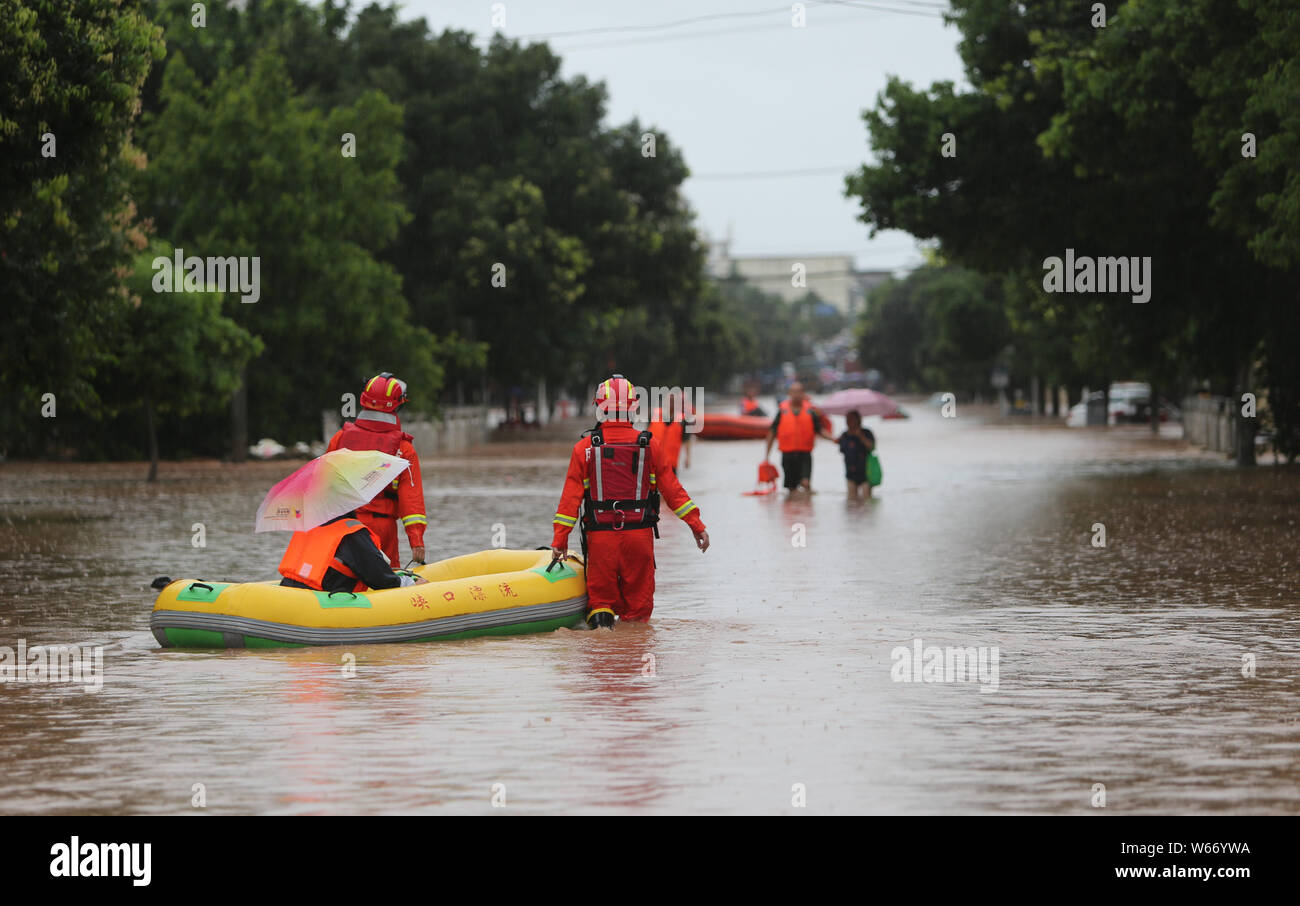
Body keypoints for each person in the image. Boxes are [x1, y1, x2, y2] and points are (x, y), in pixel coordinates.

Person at [550, 375, 710, 628]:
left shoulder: (584, 448)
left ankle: (604, 650)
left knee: (600, 601)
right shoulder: (650, 445)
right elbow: (673, 491)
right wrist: (696, 525)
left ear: (599, 408)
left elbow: (570, 501)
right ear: (633, 408)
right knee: (638, 610)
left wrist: (560, 540)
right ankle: (635, 654)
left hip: (600, 538)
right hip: (639, 537)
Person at [327, 373, 427, 567]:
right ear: (397, 406)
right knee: (387, 583)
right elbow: (411, 501)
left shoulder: (339, 439)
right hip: (381, 529)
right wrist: (416, 541)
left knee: (341, 576)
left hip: (344, 525)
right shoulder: (403, 449)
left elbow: (324, 485)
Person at [279, 511, 427, 593]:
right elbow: (380, 579)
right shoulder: (351, 532)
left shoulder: (309, 525)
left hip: (290, 589)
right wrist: (410, 584)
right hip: (320, 600)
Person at [763, 381, 833, 494]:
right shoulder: (782, 411)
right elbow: (772, 432)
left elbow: (820, 430)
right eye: (794, 392)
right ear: (789, 393)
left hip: (804, 455)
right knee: (791, 489)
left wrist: (833, 439)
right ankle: (795, 509)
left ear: (803, 394)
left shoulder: (810, 411)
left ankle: (808, 505)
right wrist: (767, 455)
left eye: (799, 392)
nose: (796, 395)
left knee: (806, 483)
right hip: (787, 455)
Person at [648, 389, 692, 474]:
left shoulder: (683, 419)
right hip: (653, 462)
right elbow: (646, 434)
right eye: (669, 400)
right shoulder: (653, 414)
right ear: (664, 402)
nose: (671, 403)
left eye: (673, 401)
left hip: (671, 464)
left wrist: (687, 458)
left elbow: (686, 440)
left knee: (671, 486)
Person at [837, 409, 877, 500]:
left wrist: (860, 436)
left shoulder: (867, 432)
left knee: (867, 499)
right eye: (847, 419)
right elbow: (841, 450)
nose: (848, 422)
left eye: (851, 419)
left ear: (858, 420)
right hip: (850, 473)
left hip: (866, 473)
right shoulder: (844, 435)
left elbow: (871, 447)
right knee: (851, 500)